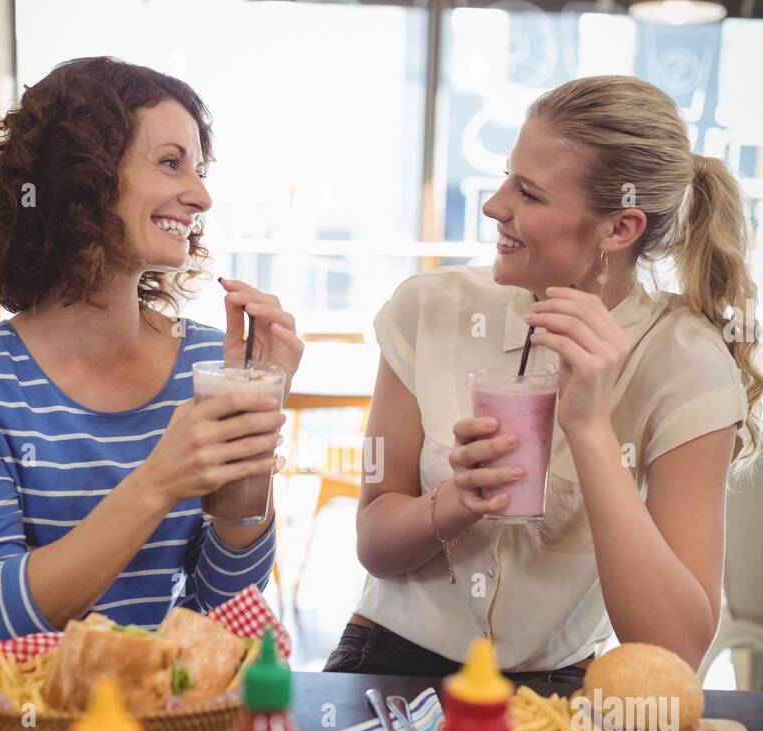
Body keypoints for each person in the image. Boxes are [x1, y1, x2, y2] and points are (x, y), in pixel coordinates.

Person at [325, 75, 761, 685]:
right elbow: (373, 544)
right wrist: (455, 502)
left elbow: (676, 649)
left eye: (527, 193)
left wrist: (589, 428)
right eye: (507, 177)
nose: (493, 204)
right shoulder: (427, 308)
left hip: (555, 686)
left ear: (619, 229)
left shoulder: (685, 361)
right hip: (391, 663)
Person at [0, 57, 302, 640]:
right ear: (82, 177)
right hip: (40, 718)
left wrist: (250, 443)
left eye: (199, 169)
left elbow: (226, 609)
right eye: (171, 163)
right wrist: (158, 480)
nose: (200, 196)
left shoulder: (208, 366)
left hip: (175, 711)